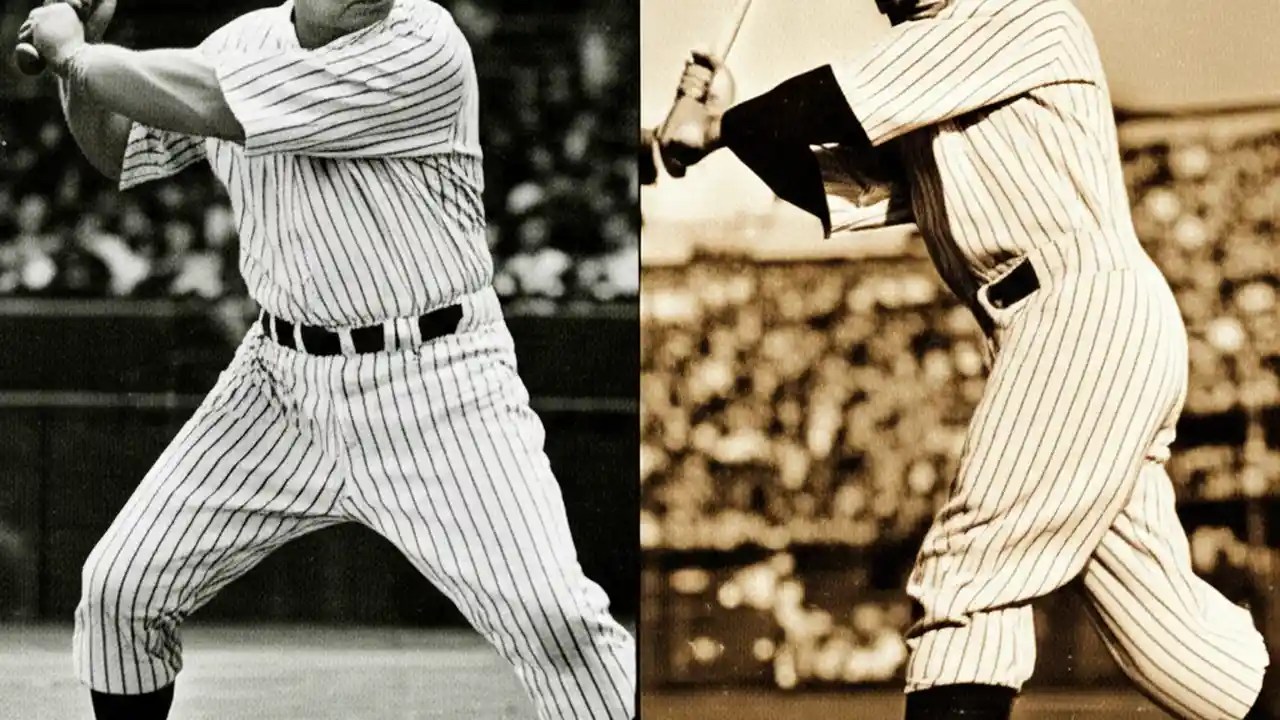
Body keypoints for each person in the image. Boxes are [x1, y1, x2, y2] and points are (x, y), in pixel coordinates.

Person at [657, 0, 1276, 718]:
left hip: (1083, 317)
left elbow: (812, 109)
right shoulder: (932, 84)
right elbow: (831, 181)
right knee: (1175, 643)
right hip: (1059, 334)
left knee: (963, 582)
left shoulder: (1018, 16)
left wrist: (715, 128)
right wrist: (724, 131)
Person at [23, 1, 636, 718]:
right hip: (278, 383)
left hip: (436, 380)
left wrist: (76, 56)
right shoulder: (239, 40)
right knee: (120, 593)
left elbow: (219, 101)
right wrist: (83, 61)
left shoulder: (425, 44)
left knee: (558, 623)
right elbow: (118, 152)